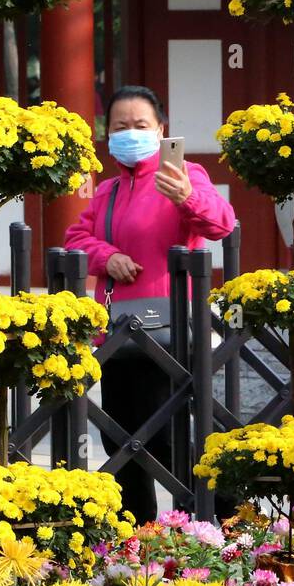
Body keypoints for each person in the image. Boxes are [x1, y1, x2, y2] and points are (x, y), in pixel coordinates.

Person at [65, 85, 236, 524]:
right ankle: (134, 531)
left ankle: (218, 517)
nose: (129, 133)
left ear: (161, 130)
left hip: (170, 327)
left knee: (164, 436)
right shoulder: (108, 190)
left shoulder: (184, 174)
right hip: (118, 330)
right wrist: (108, 256)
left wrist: (186, 197)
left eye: (140, 125)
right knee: (119, 439)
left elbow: (221, 223)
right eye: (119, 126)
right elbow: (76, 238)